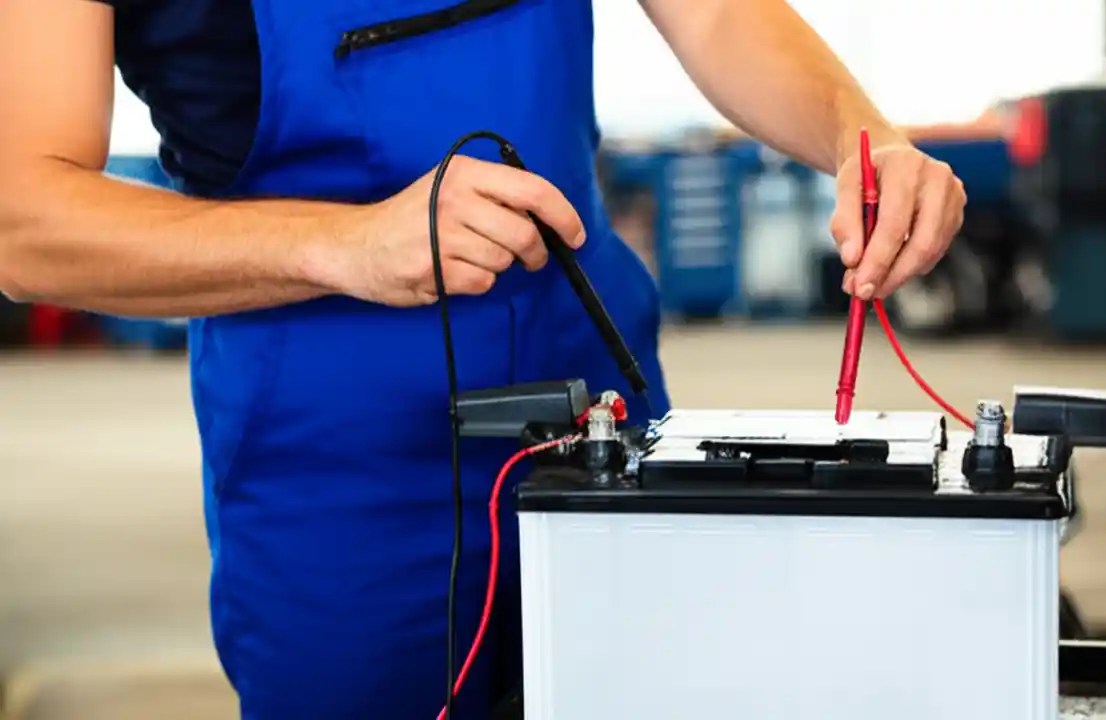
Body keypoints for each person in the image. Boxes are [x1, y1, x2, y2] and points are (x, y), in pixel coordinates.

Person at [0, 0, 967, 717]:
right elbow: (26, 219)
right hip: (337, 475)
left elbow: (714, 16)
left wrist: (857, 131)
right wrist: (345, 245)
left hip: (597, 420)